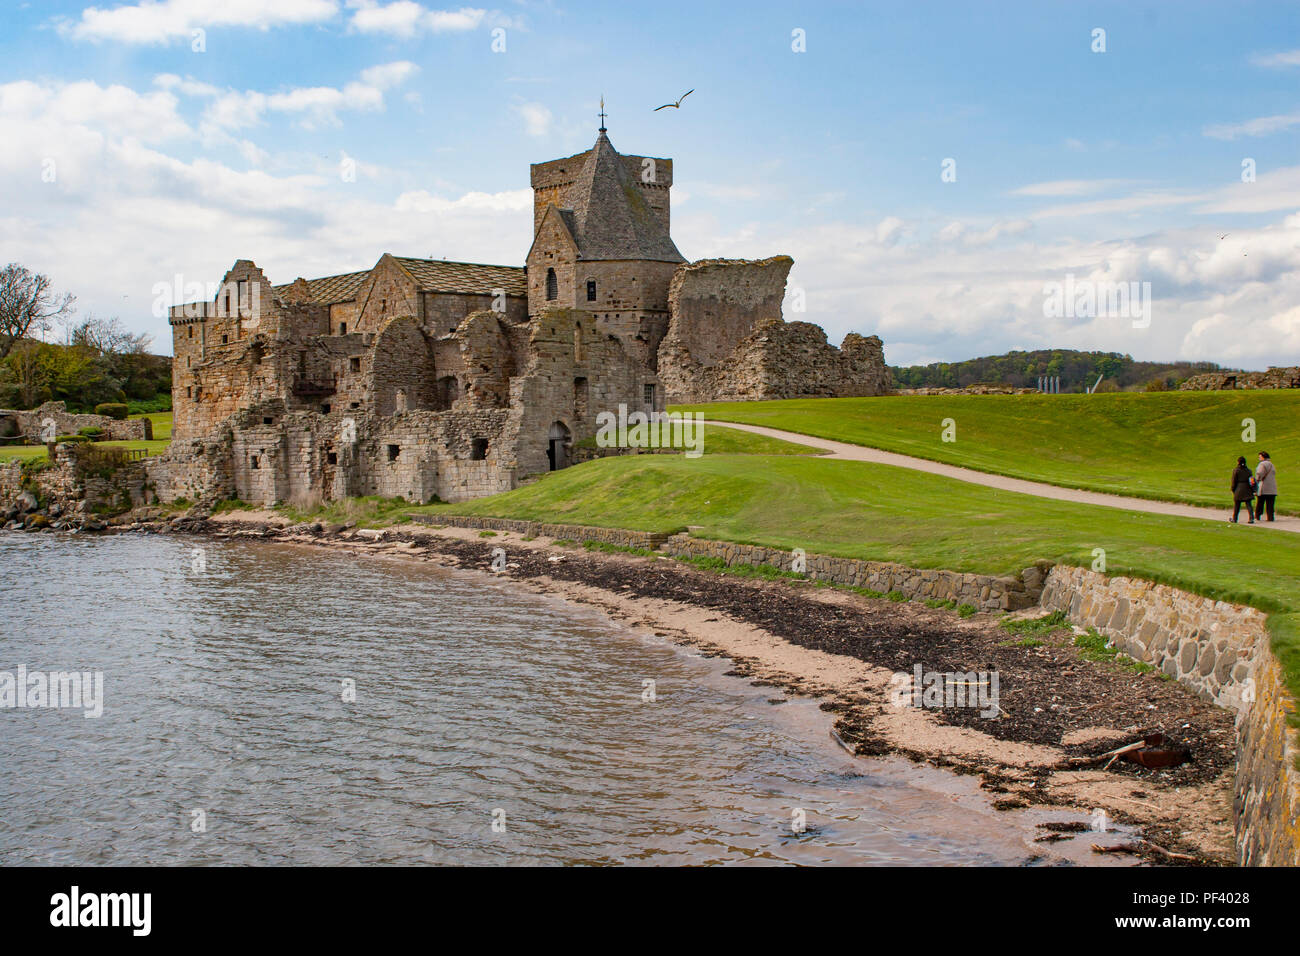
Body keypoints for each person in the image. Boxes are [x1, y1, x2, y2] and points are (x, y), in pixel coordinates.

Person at [1254, 451, 1279, 522]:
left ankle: (1257, 516)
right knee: (1270, 504)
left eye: (1260, 457)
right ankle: (1270, 517)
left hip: (1264, 487)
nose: (1259, 458)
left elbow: (1259, 473)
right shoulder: (1272, 465)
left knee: (1260, 502)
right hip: (1272, 488)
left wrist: (1257, 480)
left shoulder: (1262, 464)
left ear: (1263, 457)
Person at [1231, 456, 1255, 523]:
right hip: (1247, 488)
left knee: (1237, 505)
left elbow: (1234, 481)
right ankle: (1251, 518)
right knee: (1248, 504)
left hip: (1239, 488)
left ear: (1238, 462)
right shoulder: (1249, 470)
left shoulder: (1236, 470)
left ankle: (1235, 518)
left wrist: (1233, 489)